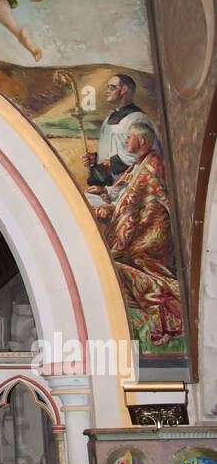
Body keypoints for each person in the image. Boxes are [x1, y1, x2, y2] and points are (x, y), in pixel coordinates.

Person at [93, 122, 182, 347]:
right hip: (140, 227)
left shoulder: (153, 165)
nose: (126, 141)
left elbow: (135, 203)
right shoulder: (137, 166)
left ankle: (170, 317)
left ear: (141, 141)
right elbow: (125, 197)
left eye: (130, 137)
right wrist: (106, 197)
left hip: (150, 233)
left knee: (129, 267)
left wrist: (111, 212)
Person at [82, 72, 157, 188]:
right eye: (108, 88)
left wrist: (112, 163)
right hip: (107, 183)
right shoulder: (109, 119)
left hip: (128, 184)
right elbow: (112, 148)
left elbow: (142, 153)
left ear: (124, 90)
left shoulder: (138, 118)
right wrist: (95, 158)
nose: (107, 91)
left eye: (112, 88)